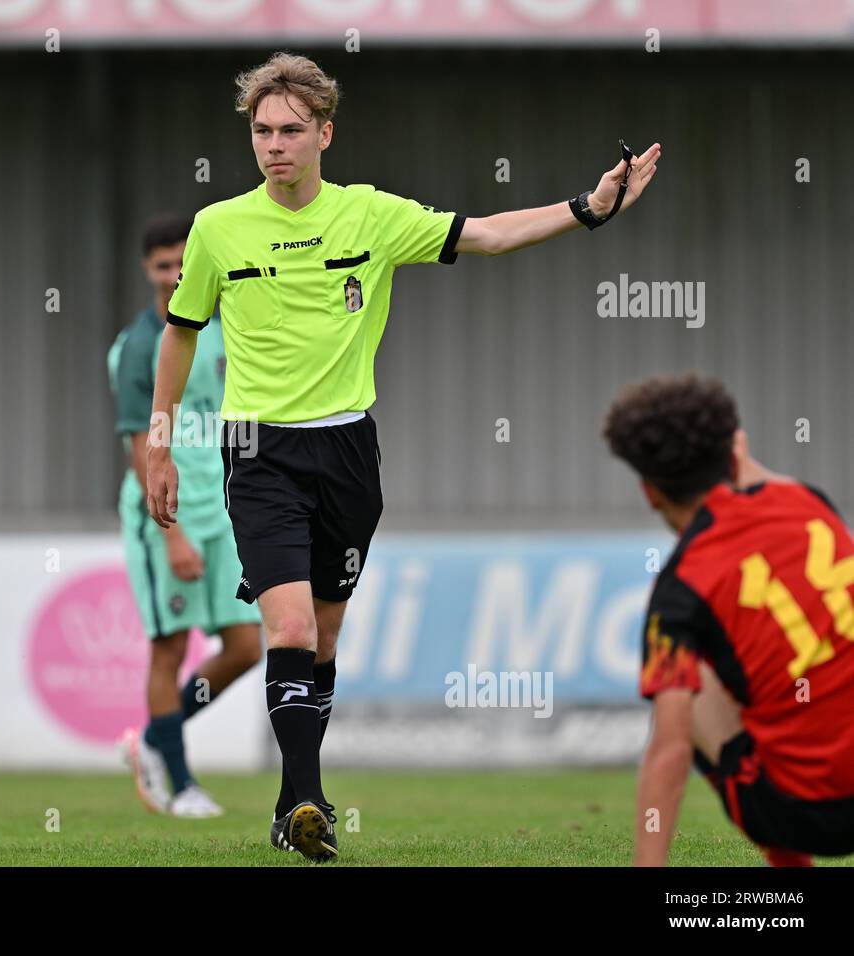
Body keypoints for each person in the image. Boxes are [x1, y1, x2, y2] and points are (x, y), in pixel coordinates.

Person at [144, 51, 661, 861]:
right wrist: (162, 442)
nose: (273, 144)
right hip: (256, 448)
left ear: (324, 134)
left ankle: (290, 806)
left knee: (321, 639)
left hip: (348, 447)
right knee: (284, 623)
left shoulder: (371, 216)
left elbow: (485, 235)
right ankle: (312, 797)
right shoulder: (218, 229)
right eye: (260, 131)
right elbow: (181, 333)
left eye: (289, 130)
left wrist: (588, 209)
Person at [604, 373, 854, 866]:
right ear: (736, 453)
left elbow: (669, 751)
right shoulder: (809, 502)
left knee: (690, 682)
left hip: (805, 815)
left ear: (650, 492)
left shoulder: (680, 591)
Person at [107, 214, 264, 818]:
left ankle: (153, 737)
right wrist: (169, 535)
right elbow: (135, 449)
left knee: (247, 646)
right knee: (170, 648)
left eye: (182, 264)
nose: (174, 276)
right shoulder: (139, 346)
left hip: (226, 511)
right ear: (147, 271)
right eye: (162, 266)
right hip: (166, 515)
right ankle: (179, 782)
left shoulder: (224, 330)